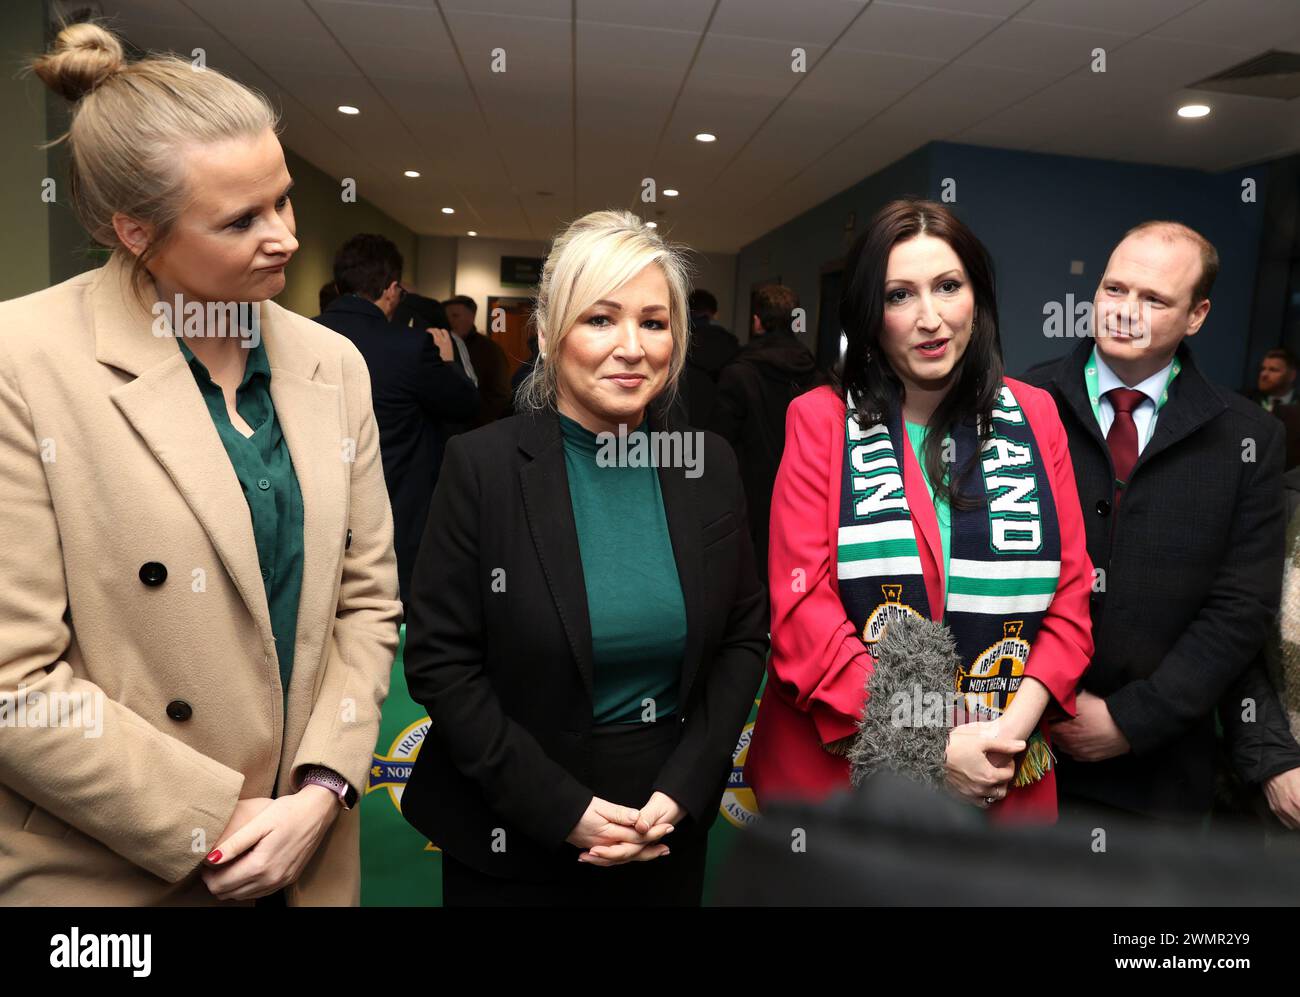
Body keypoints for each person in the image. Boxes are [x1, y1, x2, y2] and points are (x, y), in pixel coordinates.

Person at [0, 23, 401, 904]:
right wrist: (216, 821)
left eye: (285, 200)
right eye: (241, 220)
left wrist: (323, 789)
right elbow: (13, 683)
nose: (287, 238)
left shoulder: (335, 365)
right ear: (136, 230)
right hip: (107, 874)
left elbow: (367, 605)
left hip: (307, 854)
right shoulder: (22, 360)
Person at [401, 209, 768, 905]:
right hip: (511, 832)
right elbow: (441, 661)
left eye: (654, 323)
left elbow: (745, 634)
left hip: (663, 830)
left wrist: (687, 785)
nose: (631, 346)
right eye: (600, 319)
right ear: (547, 334)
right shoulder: (482, 466)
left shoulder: (708, 465)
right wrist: (559, 809)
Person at [744, 198, 1094, 822]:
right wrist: (930, 743)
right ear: (868, 315)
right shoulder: (820, 420)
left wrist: (1001, 737)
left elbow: (1070, 596)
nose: (930, 318)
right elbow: (802, 611)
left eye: (948, 287)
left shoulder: (1036, 414)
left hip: (1002, 768)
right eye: (899, 295)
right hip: (844, 779)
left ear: (977, 298)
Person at [1020, 221, 1300, 825]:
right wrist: (1036, 704)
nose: (1125, 312)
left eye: (1154, 299)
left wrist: (1130, 720)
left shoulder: (1249, 437)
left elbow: (1240, 608)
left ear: (1196, 315)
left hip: (1157, 775)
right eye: (1115, 289)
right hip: (1013, 749)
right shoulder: (1019, 402)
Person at [313, 235, 477, 608]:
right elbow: (464, 405)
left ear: (339, 284)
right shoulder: (409, 346)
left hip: (313, 513)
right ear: (391, 289)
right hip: (391, 516)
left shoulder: (296, 335)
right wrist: (450, 361)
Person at [710, 283, 823, 577]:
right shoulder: (816, 374)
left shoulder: (738, 373)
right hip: (805, 498)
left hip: (750, 499)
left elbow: (721, 445)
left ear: (757, 321)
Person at [444, 294, 511, 425]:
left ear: (471, 317)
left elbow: (501, 394)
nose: (450, 321)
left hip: (477, 427)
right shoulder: (442, 345)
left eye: (455, 316)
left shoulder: (489, 350)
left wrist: (478, 421)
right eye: (447, 316)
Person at [682, 288, 739, 427]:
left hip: (680, 426)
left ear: (687, 311)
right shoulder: (731, 343)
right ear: (714, 314)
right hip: (718, 427)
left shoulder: (676, 341)